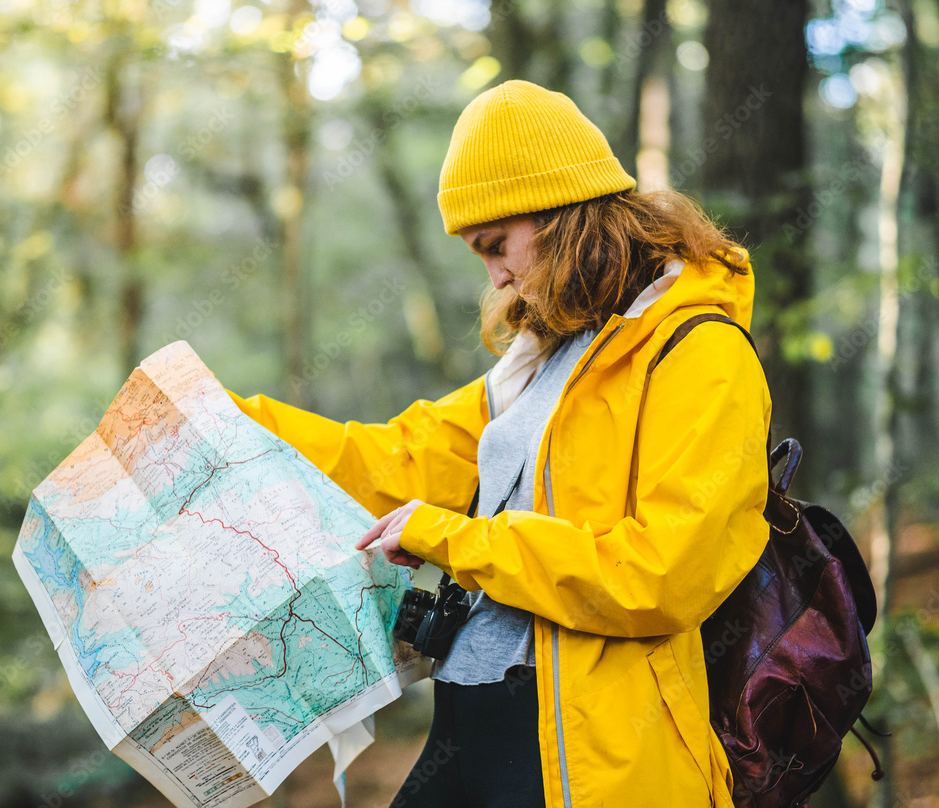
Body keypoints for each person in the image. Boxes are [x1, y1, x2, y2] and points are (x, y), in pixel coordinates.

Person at [229, 80, 771, 808]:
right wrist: (227, 416)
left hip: (589, 753)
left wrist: (458, 540)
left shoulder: (702, 353)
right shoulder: (541, 359)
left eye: (497, 246)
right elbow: (399, 458)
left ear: (564, 213)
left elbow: (661, 575)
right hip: (471, 717)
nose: (496, 277)